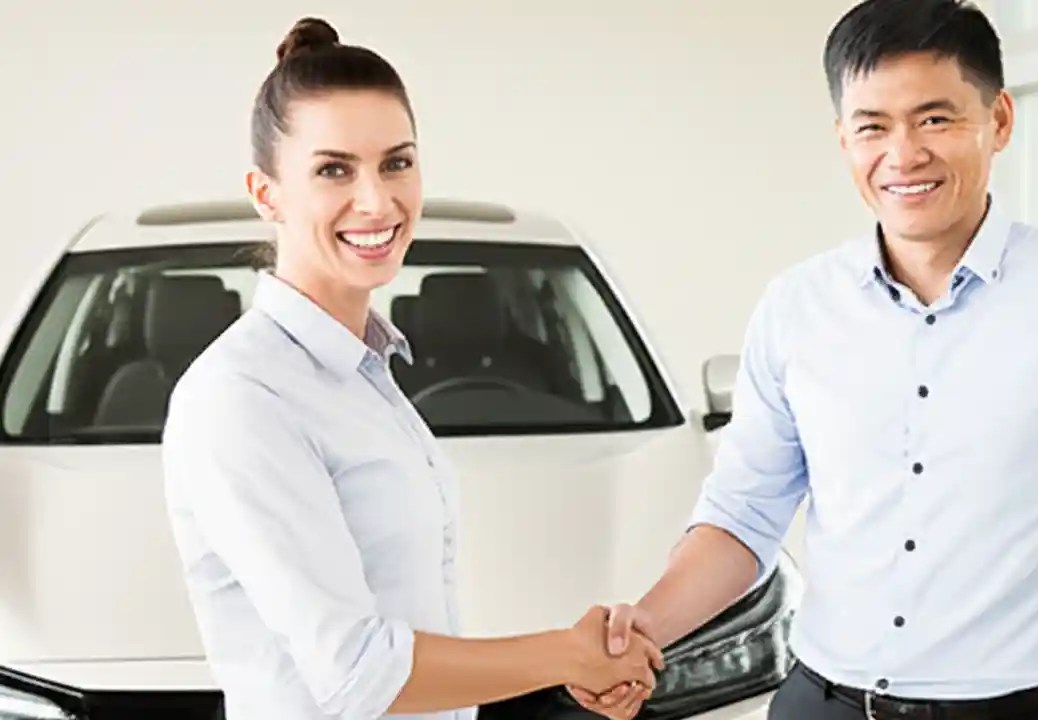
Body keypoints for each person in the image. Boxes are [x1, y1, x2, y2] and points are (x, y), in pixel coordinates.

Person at [571, 1, 1038, 719]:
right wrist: (646, 632)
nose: (903, 155)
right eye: (873, 126)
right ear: (843, 139)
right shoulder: (796, 307)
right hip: (821, 702)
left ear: (998, 120)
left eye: (935, 119)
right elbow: (745, 514)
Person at [160, 17, 662, 720]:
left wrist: (582, 665)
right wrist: (568, 656)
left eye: (396, 162)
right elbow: (358, 675)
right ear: (266, 193)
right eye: (334, 169)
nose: (377, 200)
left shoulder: (369, 375)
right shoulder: (242, 396)